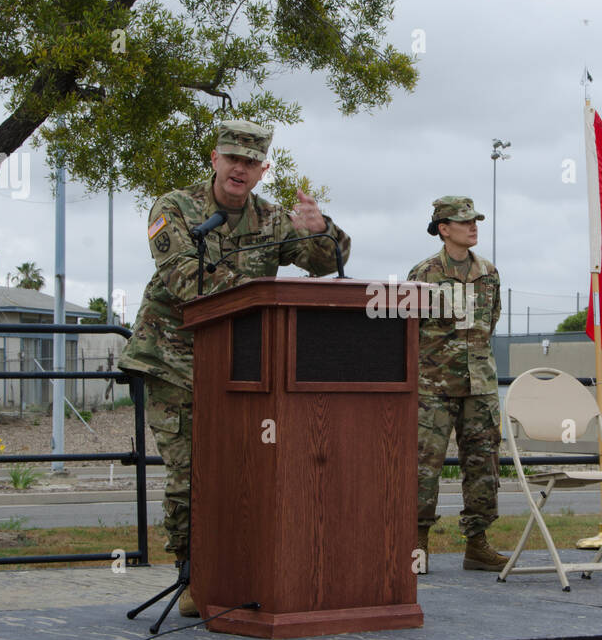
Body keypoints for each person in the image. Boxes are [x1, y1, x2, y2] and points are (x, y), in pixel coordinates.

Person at [119, 120, 351, 614]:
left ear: (263, 169)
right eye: (232, 159)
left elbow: (323, 263)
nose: (239, 170)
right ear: (214, 160)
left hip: (242, 365)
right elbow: (186, 279)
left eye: (250, 163)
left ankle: (241, 569)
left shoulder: (270, 217)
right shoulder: (174, 207)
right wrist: (261, 297)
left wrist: (321, 230)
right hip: (174, 358)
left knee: (247, 469)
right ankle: (192, 576)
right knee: (191, 472)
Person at [408, 196, 508, 573]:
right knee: (423, 468)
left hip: (479, 386)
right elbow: (409, 329)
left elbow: (489, 322)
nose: (473, 226)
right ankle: (416, 544)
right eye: (464, 222)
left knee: (484, 466)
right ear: (443, 229)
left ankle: (477, 544)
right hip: (433, 387)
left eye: (475, 220)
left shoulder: (489, 273)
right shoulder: (424, 273)